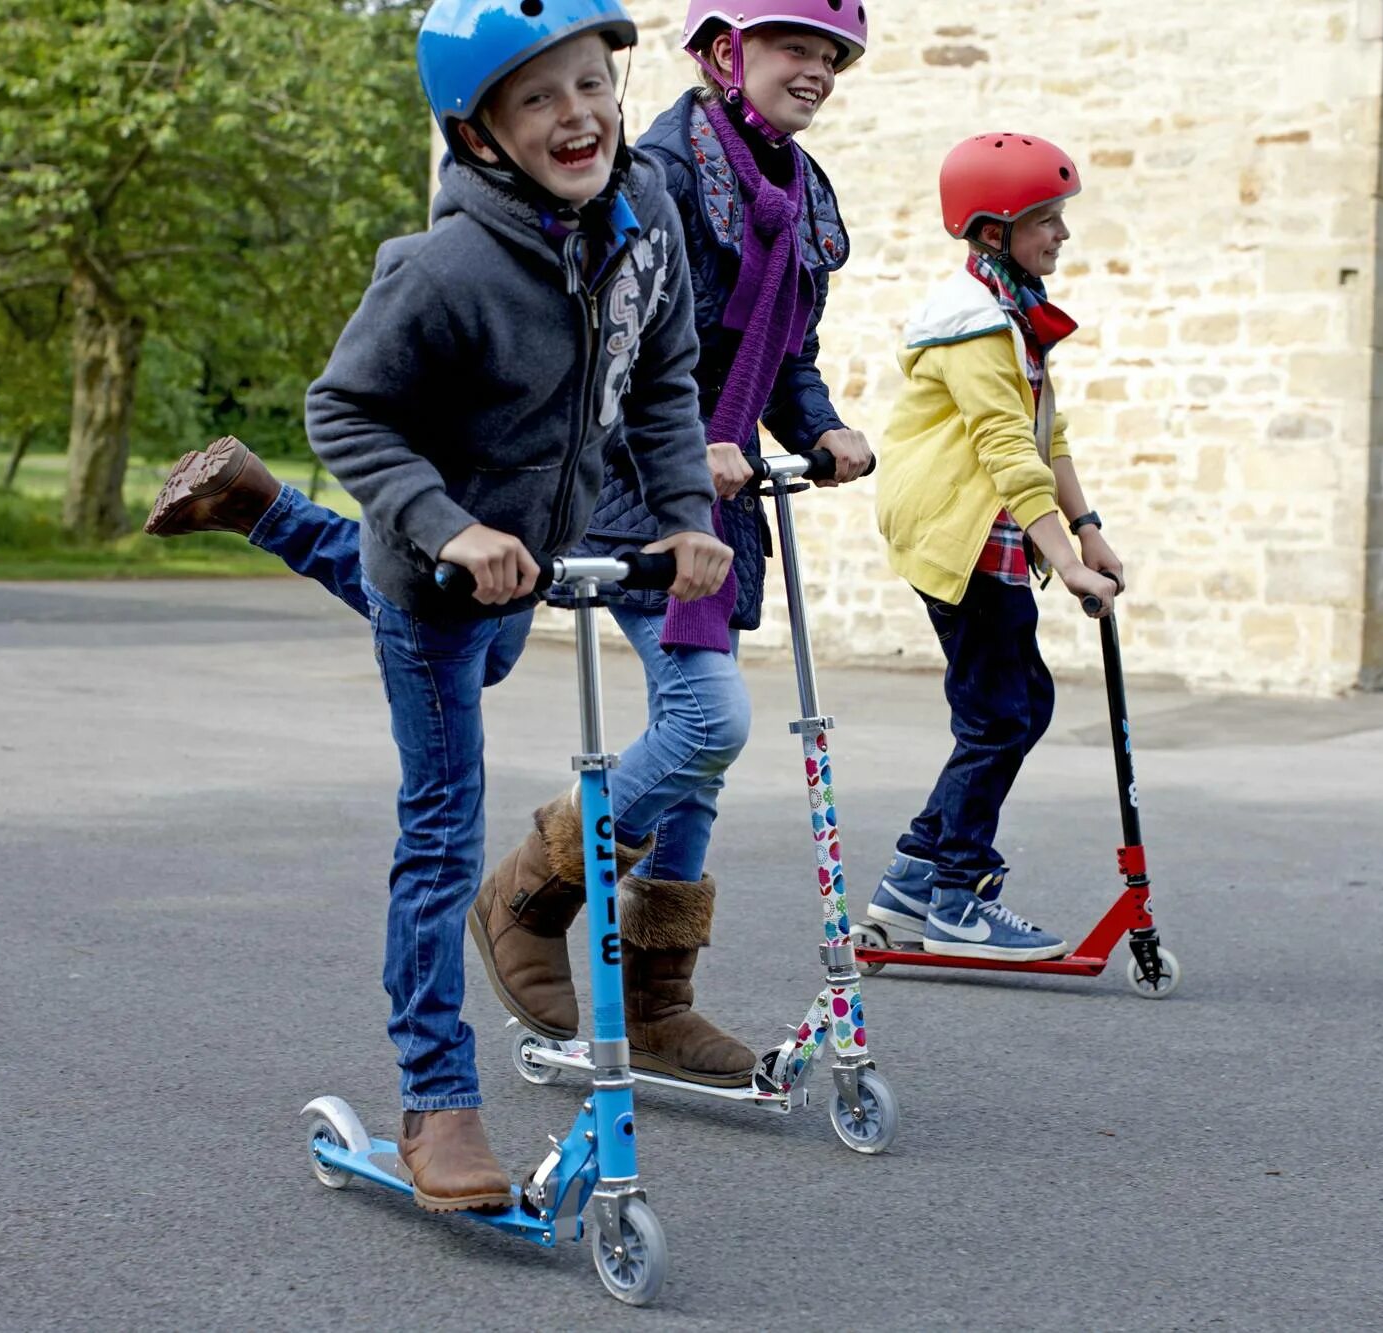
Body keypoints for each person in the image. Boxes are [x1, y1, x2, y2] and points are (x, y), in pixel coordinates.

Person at [146, 2, 873, 1087]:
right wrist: (493, 515)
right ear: (723, 52)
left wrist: (799, 432)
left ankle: (656, 998)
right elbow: (368, 406)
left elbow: (729, 359)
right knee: (663, 722)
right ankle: (487, 976)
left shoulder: (753, 197)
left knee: (502, 640)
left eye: (830, 55)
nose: (812, 70)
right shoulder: (578, 204)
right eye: (790, 47)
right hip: (577, 504)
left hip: (583, 518)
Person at [299, 0, 730, 1213]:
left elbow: (662, 379)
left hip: (531, 570)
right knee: (440, 828)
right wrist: (449, 526)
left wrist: (685, 513)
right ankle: (436, 1100)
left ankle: (262, 515)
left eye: (590, 83)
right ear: (479, 132)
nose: (576, 113)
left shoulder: (643, 224)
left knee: (473, 644)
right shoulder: (437, 270)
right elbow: (345, 413)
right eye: (536, 97)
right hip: (446, 570)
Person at [865, 133, 1124, 962]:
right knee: (1000, 713)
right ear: (989, 233)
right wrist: (1071, 560)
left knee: (1015, 707)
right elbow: (1007, 446)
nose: (1062, 235)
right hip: (960, 532)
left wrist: (1088, 530)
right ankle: (955, 896)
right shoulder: (974, 322)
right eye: (1045, 220)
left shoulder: (1013, 311)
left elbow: (1053, 434)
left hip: (996, 532)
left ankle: (912, 876)